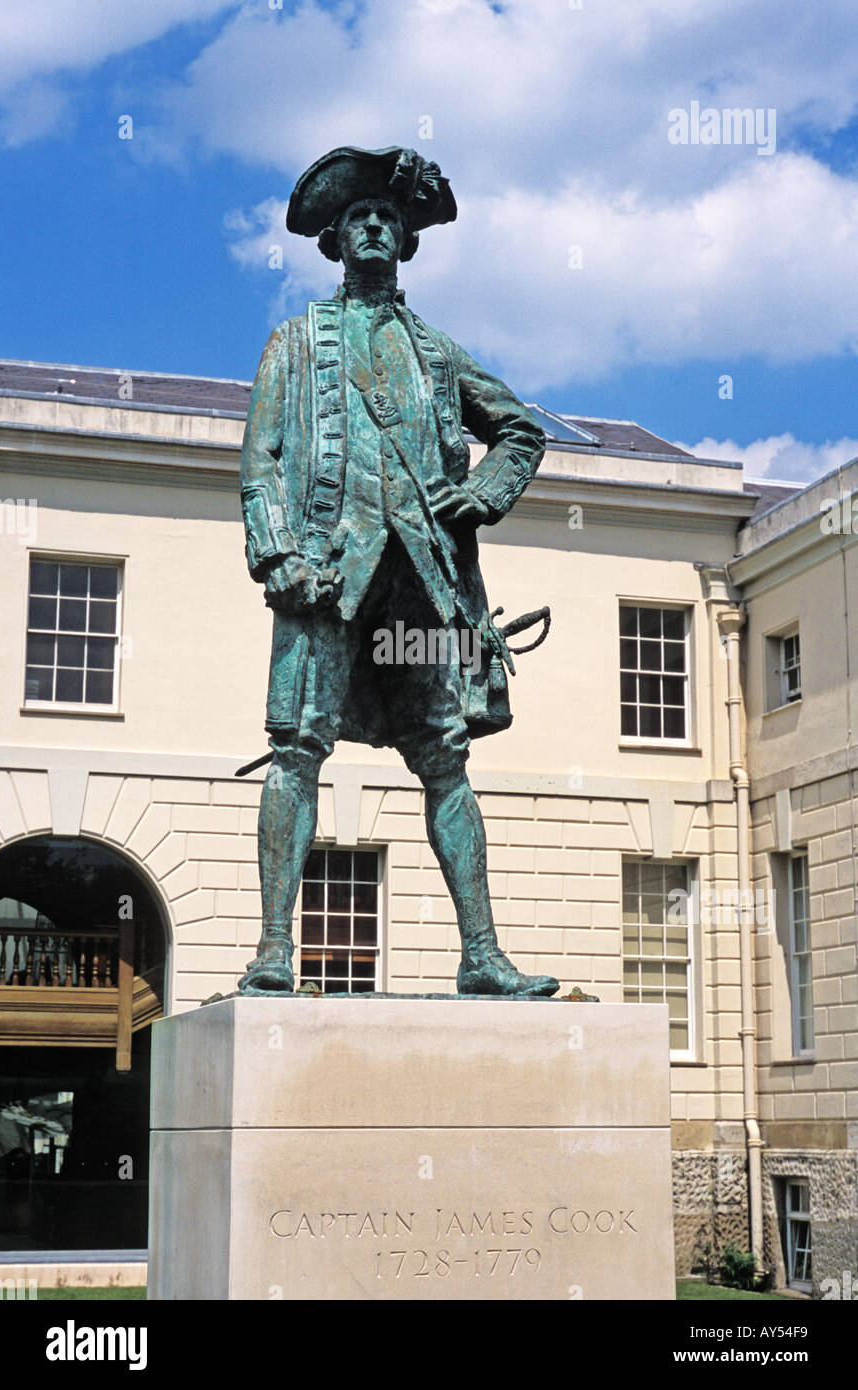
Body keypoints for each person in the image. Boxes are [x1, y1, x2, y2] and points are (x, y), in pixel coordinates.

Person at [238, 145, 558, 999]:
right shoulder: (297, 343)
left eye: (389, 219)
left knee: (445, 760)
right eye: (359, 219)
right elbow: (261, 462)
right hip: (327, 574)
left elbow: (521, 429)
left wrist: (481, 494)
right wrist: (277, 554)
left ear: (406, 242)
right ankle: (275, 949)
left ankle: (481, 955)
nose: (375, 227)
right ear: (336, 241)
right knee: (296, 750)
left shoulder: (440, 354)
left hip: (419, 582)